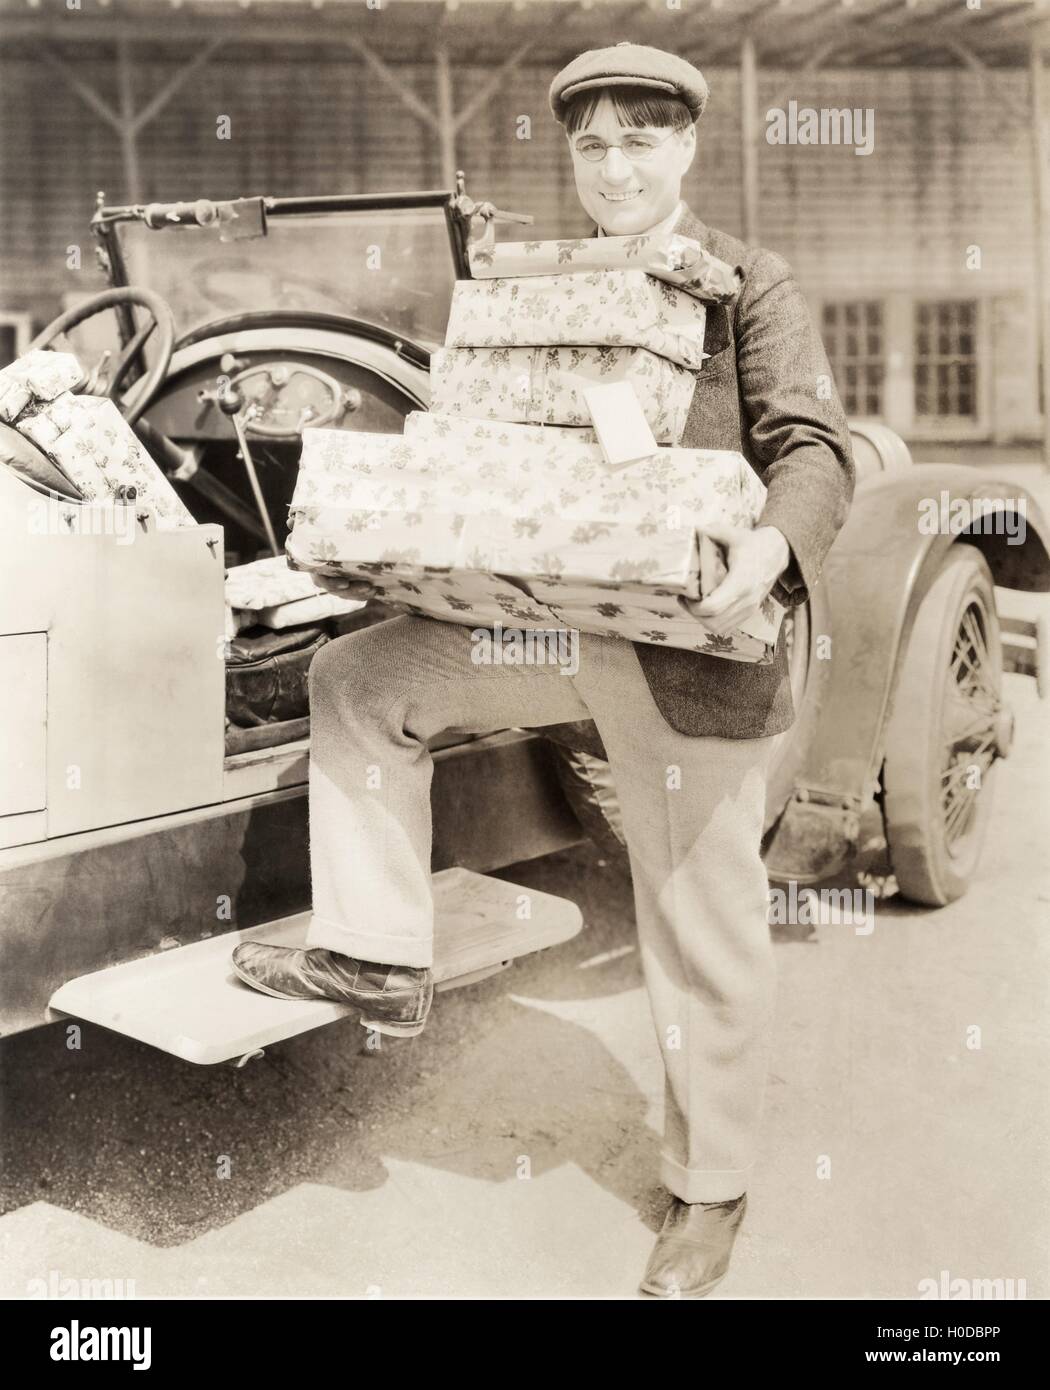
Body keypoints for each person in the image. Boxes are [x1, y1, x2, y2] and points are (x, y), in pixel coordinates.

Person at [232, 42, 855, 1299]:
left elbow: (817, 447)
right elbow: (472, 452)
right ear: (571, 156)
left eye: (640, 139)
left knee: (703, 925)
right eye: (592, 144)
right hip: (536, 623)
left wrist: (773, 545)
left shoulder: (745, 283)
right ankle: (376, 950)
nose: (615, 166)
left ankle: (711, 1190)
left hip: (687, 638)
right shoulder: (528, 282)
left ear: (684, 146)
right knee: (360, 681)